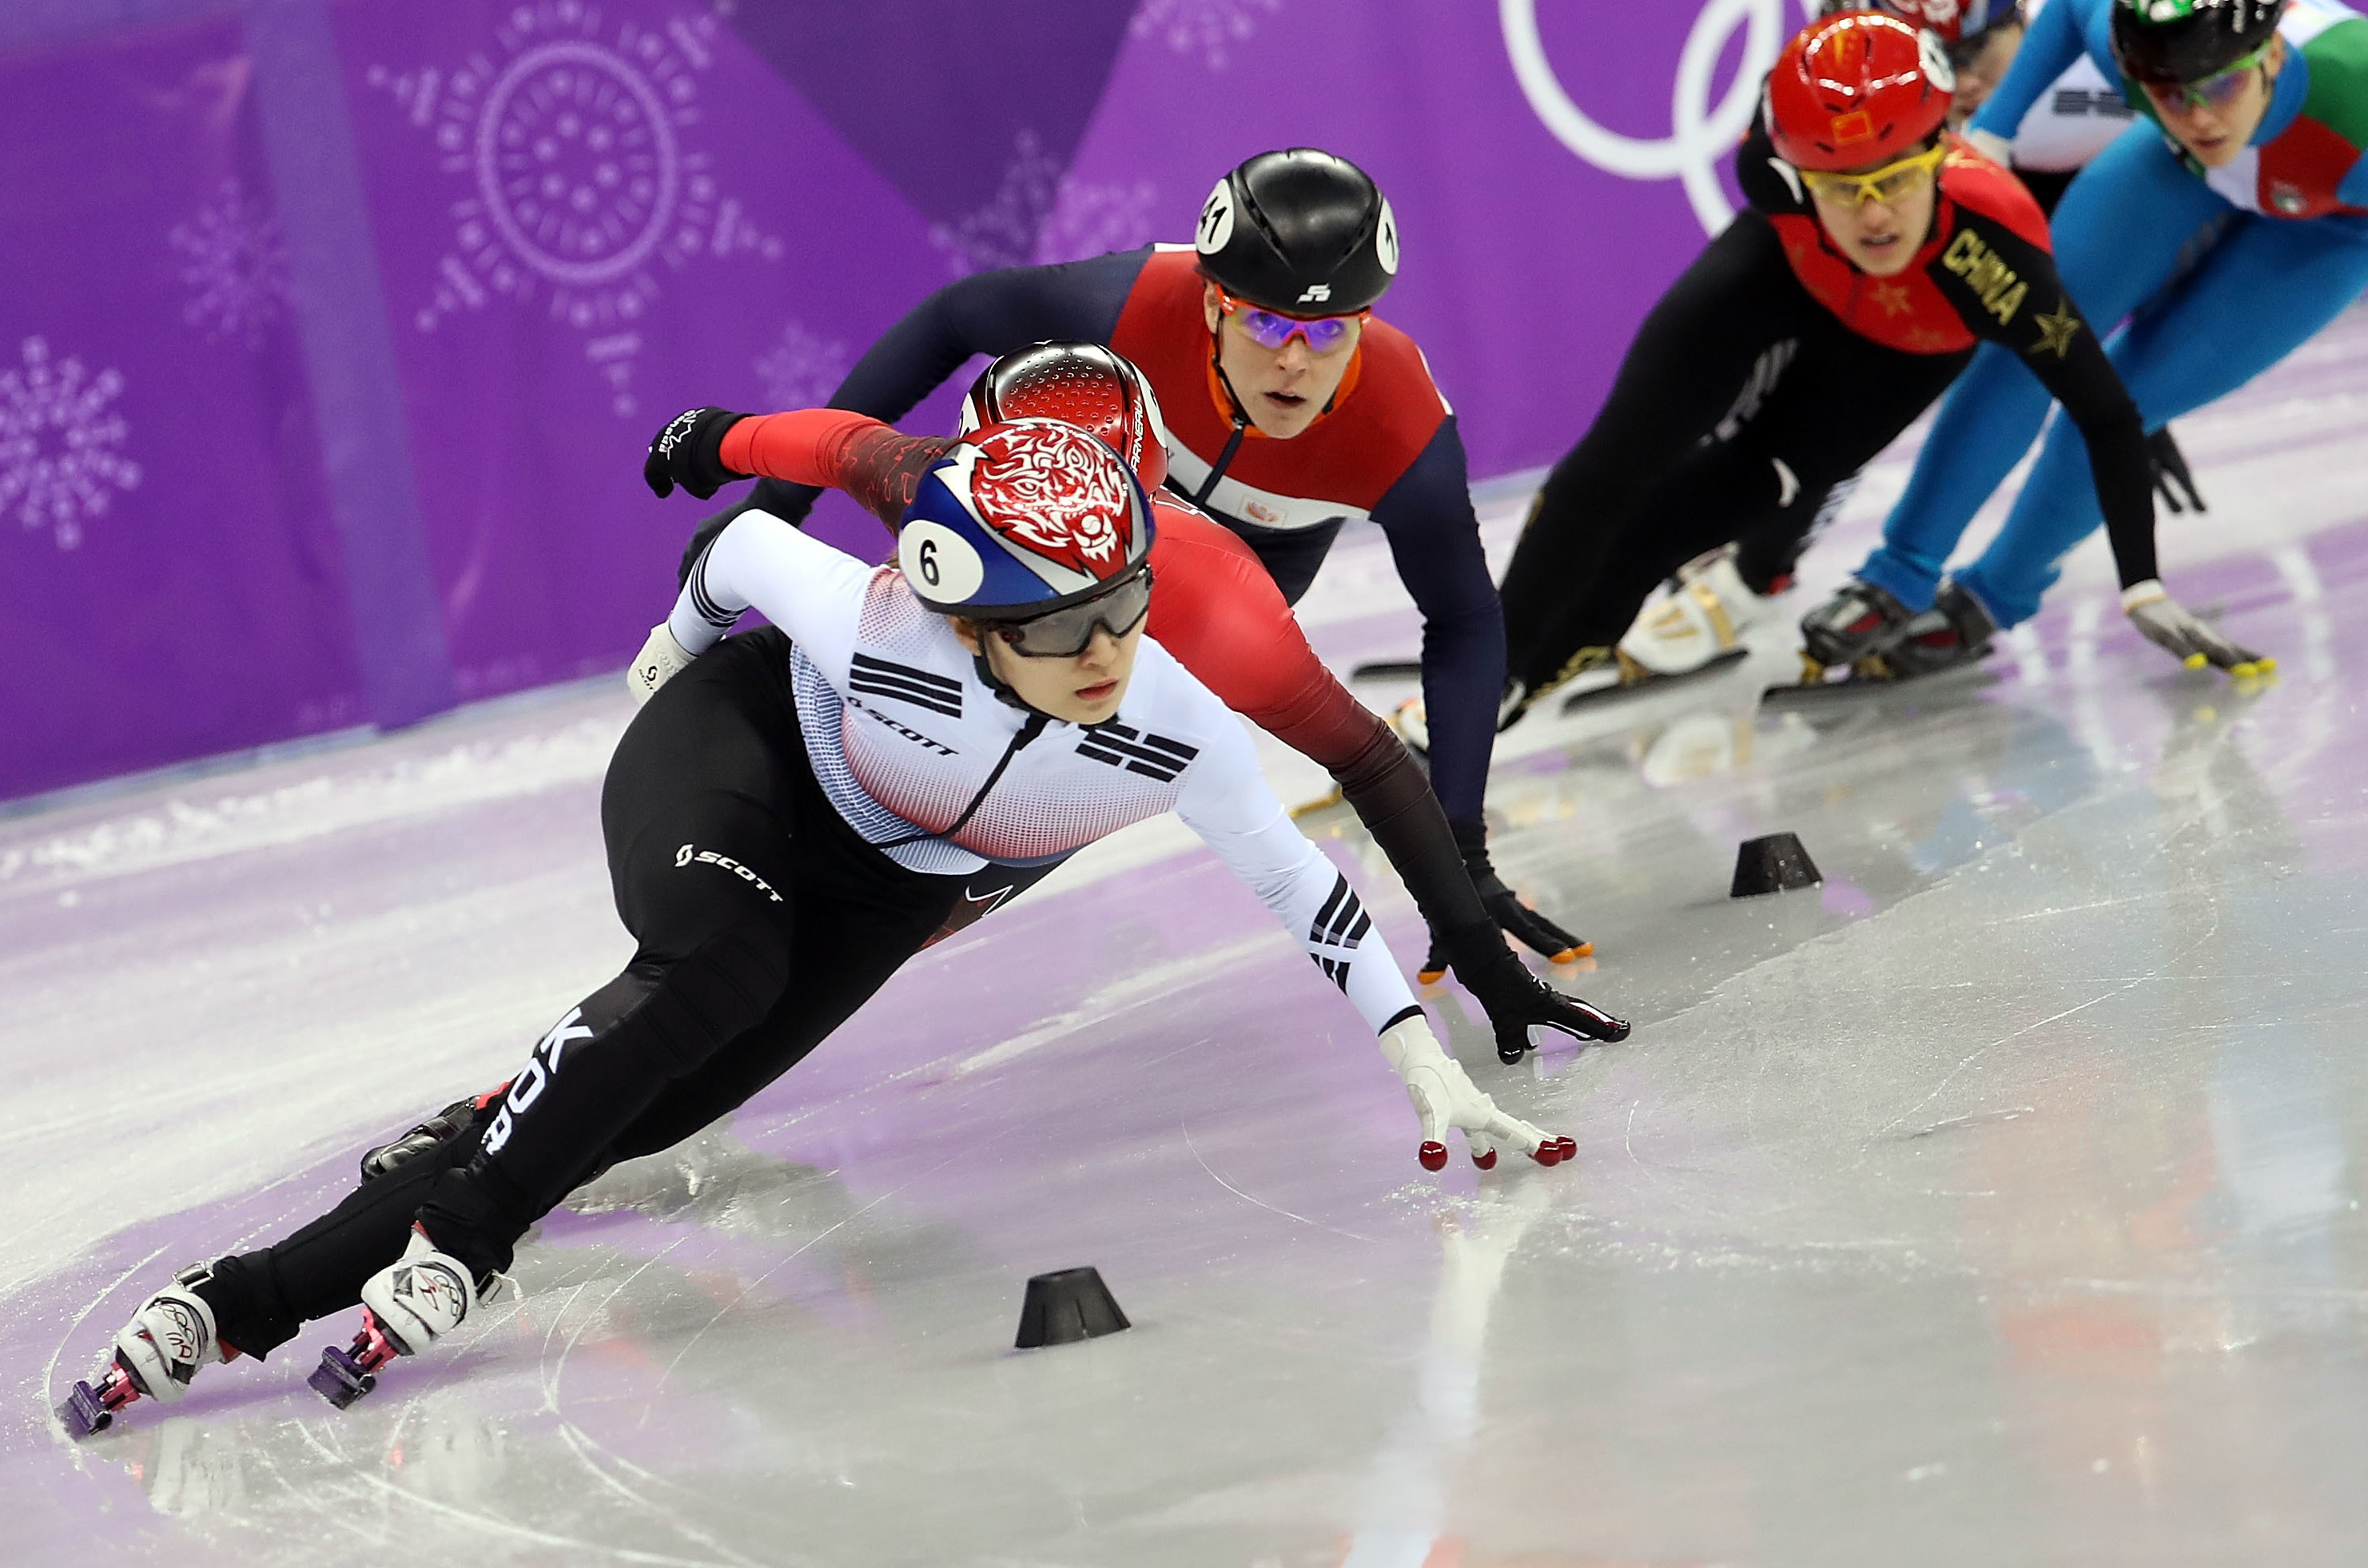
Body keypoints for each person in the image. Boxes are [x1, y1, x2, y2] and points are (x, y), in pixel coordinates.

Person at [61, 423, 1602, 1438]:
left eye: (1125, 607)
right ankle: (463, 1233)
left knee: (649, 1101)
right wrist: (668, 654)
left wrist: (1421, 1064)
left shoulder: (1173, 723)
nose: (1108, 652)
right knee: (710, 972)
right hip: (739, 758)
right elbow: (737, 549)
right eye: (1062, 627)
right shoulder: (877, 618)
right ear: (966, 609)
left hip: (887, 884)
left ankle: (244, 1293)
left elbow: (1296, 883)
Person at [670, 149, 1587, 971]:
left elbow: (1463, 617)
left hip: (1200, 595)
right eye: (1267, 327)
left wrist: (1461, 857)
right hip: (1064, 545)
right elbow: (956, 316)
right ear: (1211, 301)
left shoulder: (1400, 428)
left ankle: (791, 970)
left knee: (1028, 796)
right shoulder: (1128, 303)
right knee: (931, 681)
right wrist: (772, 505)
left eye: (1330, 331)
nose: (1296, 364)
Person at [643, 344, 1624, 1013]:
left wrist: (1473, 932)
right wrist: (718, 437)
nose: (1054, 543)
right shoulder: (927, 480)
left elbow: (1366, 759)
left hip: (1044, 772)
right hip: (910, 726)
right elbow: (822, 442)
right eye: (1019, 527)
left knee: (814, 960)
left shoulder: (1219, 609)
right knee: (764, 943)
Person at [1491, 10, 2159, 722]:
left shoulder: (2024, 210)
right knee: (1629, 457)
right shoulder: (1789, 150)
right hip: (1816, 272)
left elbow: (2104, 404)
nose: (1964, 77)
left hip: (1920, 323)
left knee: (1739, 487)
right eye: (1844, 184)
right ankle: (1503, 661)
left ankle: (1787, 580)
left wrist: (2141, 578)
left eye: (1977, 54)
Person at [1808, 0, 2368, 678]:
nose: (2200, 115)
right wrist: (1992, 132)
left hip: (2332, 222)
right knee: (2029, 345)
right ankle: (1895, 575)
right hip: (2174, 166)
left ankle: (1991, 598)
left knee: (2123, 407)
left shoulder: (2354, 100)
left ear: (2272, 55)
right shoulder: (2139, 49)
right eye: (2168, 93)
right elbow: (2074, 9)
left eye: (2219, 85)